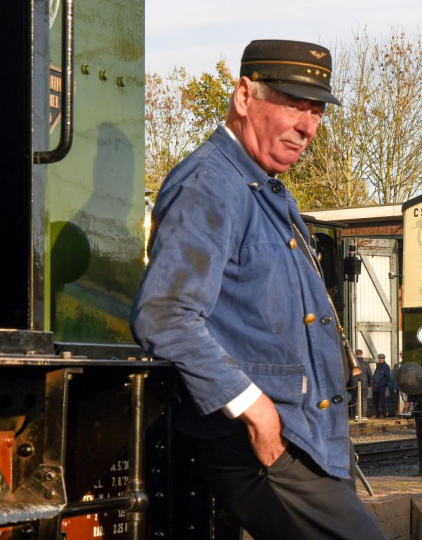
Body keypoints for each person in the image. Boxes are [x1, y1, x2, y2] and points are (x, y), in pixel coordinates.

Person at [130, 39, 385, 539]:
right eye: (292, 105)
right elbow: (163, 315)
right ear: (244, 96)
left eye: (315, 111)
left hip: (305, 438)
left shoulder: (264, 188)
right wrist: (256, 409)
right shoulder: (212, 184)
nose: (308, 127)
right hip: (262, 444)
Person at [349, 349, 372, 420]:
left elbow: (349, 374)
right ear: (362, 355)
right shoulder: (366, 364)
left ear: (355, 355)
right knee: (364, 399)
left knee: (355, 399)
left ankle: (356, 415)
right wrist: (370, 385)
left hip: (354, 384)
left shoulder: (351, 364)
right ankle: (363, 416)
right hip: (364, 384)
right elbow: (370, 375)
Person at [372, 353, 391, 417]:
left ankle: (383, 414)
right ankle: (375, 413)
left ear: (383, 359)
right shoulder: (378, 366)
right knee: (375, 401)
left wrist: (381, 384)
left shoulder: (386, 367)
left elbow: (387, 378)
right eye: (379, 358)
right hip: (375, 386)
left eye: (381, 359)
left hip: (381, 387)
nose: (379, 360)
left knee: (382, 401)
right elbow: (375, 375)